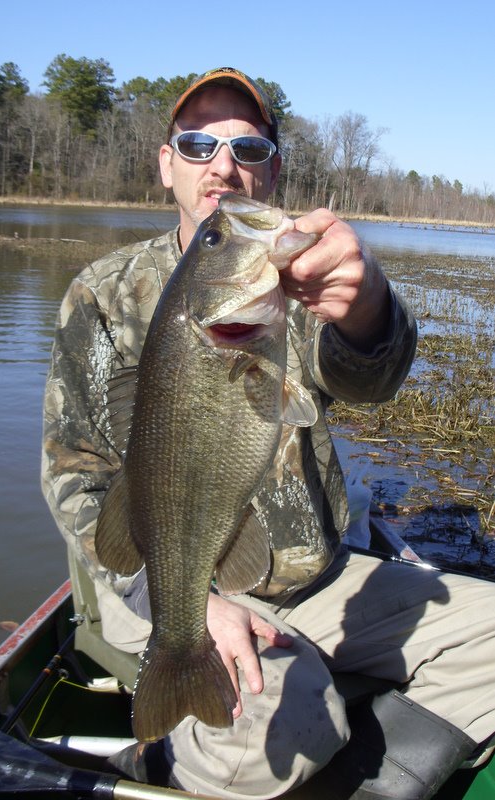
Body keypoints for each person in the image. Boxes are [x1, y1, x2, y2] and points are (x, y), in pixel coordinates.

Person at [42, 67, 495, 799]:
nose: (223, 164)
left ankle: (373, 777)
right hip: (163, 584)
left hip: (317, 577)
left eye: (248, 149)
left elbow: (369, 378)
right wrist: (182, 606)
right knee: (275, 728)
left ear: (273, 169)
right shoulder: (102, 292)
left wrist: (369, 304)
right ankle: (162, 756)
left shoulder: (294, 285)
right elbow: (75, 474)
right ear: (167, 166)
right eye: (197, 144)